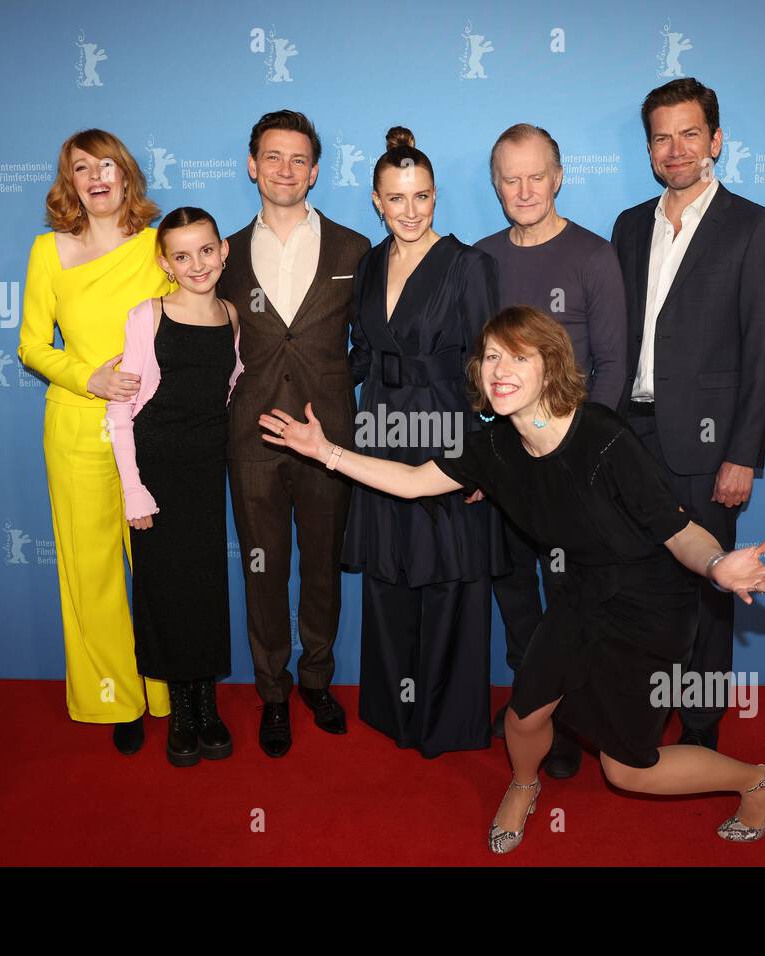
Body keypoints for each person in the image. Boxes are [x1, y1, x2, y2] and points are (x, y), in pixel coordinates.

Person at [258, 306, 765, 853]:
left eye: (519, 357)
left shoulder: (602, 435)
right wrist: (324, 451)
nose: (500, 368)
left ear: (551, 367)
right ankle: (525, 783)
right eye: (492, 356)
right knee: (524, 718)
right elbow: (410, 482)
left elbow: (678, 530)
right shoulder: (495, 446)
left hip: (649, 607)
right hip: (582, 595)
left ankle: (759, 779)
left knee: (627, 771)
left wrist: (717, 566)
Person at [611, 78, 765, 750]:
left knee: (708, 597)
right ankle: (641, 718)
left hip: (710, 447)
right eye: (662, 136)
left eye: (690, 133)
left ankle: (703, 732)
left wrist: (742, 454)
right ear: (650, 149)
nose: (675, 148)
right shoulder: (630, 226)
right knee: (639, 585)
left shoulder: (755, 227)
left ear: (716, 140)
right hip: (632, 437)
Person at [343, 126, 505, 758]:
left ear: (436, 197)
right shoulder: (367, 263)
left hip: (448, 429)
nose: (409, 212)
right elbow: (359, 353)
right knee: (389, 571)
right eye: (396, 198)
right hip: (380, 429)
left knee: (449, 577)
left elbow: (493, 369)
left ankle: (445, 721)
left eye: (422, 197)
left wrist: (486, 457)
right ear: (377, 201)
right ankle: (395, 714)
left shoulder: (470, 266)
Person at [475, 123, 629, 778]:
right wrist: (481, 456)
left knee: (570, 598)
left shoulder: (594, 255)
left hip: (570, 470)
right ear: (496, 185)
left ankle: (569, 719)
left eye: (536, 175)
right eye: (510, 178)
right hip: (506, 468)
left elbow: (616, 365)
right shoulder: (480, 259)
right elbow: (472, 363)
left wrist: (584, 461)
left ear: (559, 177)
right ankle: (528, 707)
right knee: (514, 593)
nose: (524, 189)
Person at [216, 110, 371, 758]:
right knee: (263, 570)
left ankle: (316, 679)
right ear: (253, 165)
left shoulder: (354, 249)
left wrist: (332, 389)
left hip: (327, 438)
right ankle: (273, 692)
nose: (285, 169)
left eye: (298, 158)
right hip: (251, 440)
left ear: (315, 170)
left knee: (321, 570)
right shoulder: (219, 254)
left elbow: (372, 345)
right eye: (272, 156)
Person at [18, 128, 176, 755]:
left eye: (106, 163)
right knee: (92, 568)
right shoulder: (47, 252)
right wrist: (90, 377)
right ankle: (117, 696)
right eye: (81, 167)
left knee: (157, 565)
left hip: (150, 428)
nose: (96, 175)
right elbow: (31, 345)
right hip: (77, 426)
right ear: (71, 183)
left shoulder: (155, 248)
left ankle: (163, 688)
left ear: (126, 173)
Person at [107, 207, 244, 766]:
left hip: (208, 471)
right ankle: (182, 713)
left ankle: (208, 705)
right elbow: (122, 410)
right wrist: (133, 489)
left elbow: (230, 387)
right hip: (156, 471)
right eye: (182, 256)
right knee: (165, 589)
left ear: (223, 251)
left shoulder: (233, 315)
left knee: (206, 586)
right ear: (165, 263)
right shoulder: (148, 315)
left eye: (207, 250)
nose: (197, 264)